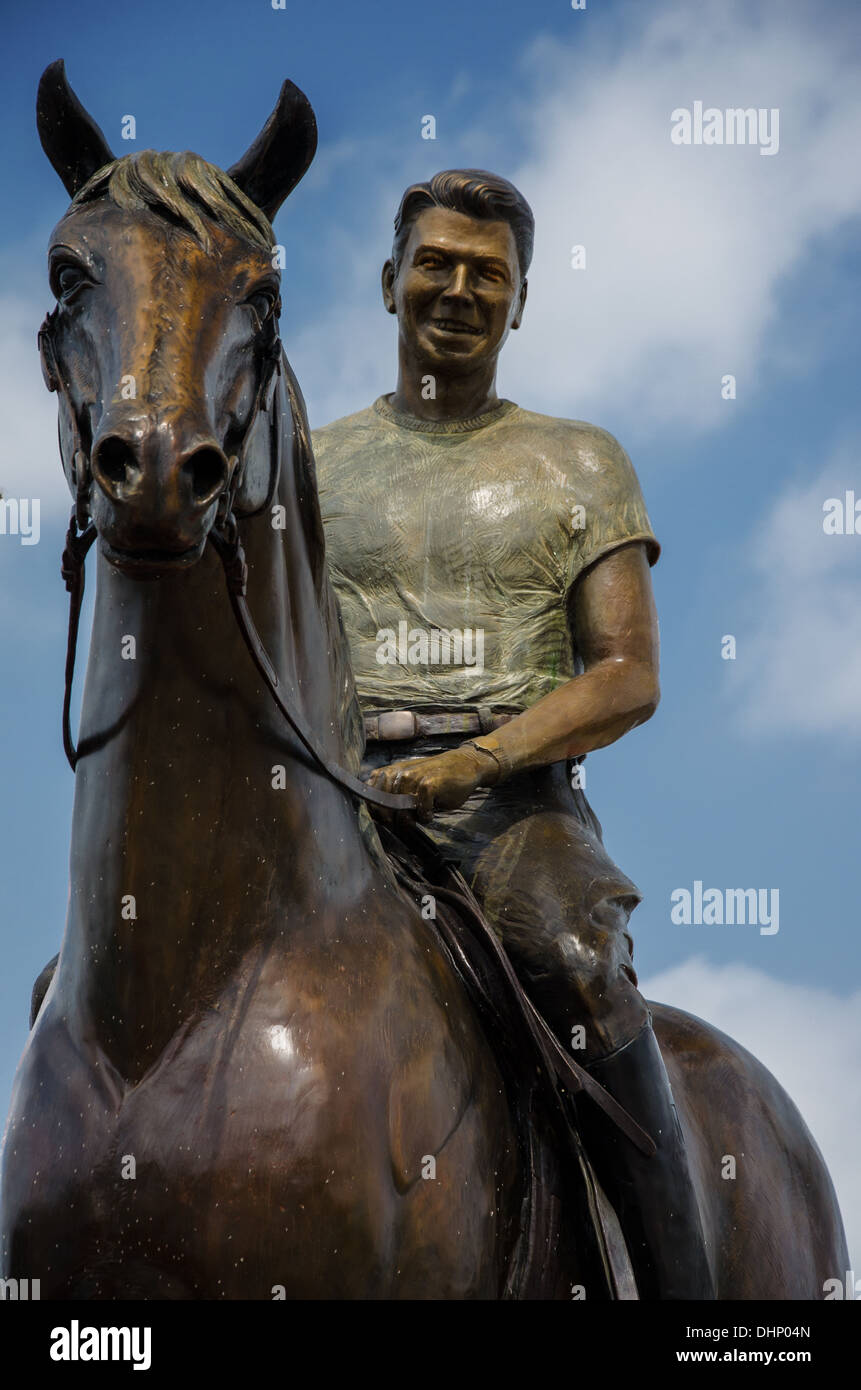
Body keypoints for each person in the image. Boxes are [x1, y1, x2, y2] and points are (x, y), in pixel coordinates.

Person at [312, 169, 713, 1299]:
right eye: (435, 264)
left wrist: (472, 762)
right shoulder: (308, 464)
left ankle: (689, 1311)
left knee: (583, 965)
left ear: (522, 302)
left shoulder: (580, 461)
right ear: (390, 281)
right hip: (333, 797)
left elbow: (628, 677)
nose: (458, 288)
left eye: (490, 274)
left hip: (509, 811)